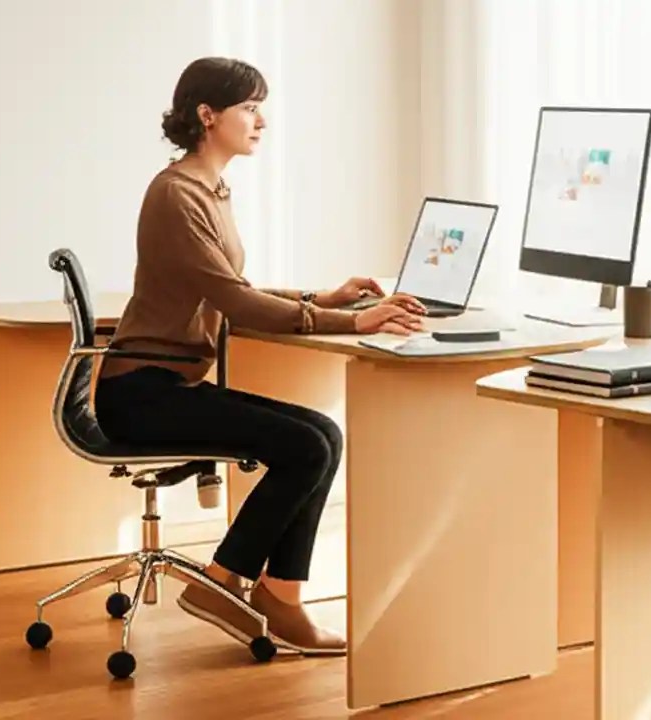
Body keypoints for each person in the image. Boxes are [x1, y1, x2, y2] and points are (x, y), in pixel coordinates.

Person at [93, 56, 426, 656]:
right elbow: (233, 301)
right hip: (141, 393)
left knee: (323, 432)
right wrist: (351, 321)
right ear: (207, 115)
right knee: (304, 445)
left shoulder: (211, 190)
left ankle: (280, 595)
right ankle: (223, 580)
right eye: (250, 107)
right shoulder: (177, 195)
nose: (261, 120)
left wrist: (318, 297)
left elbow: (231, 287)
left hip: (169, 387)